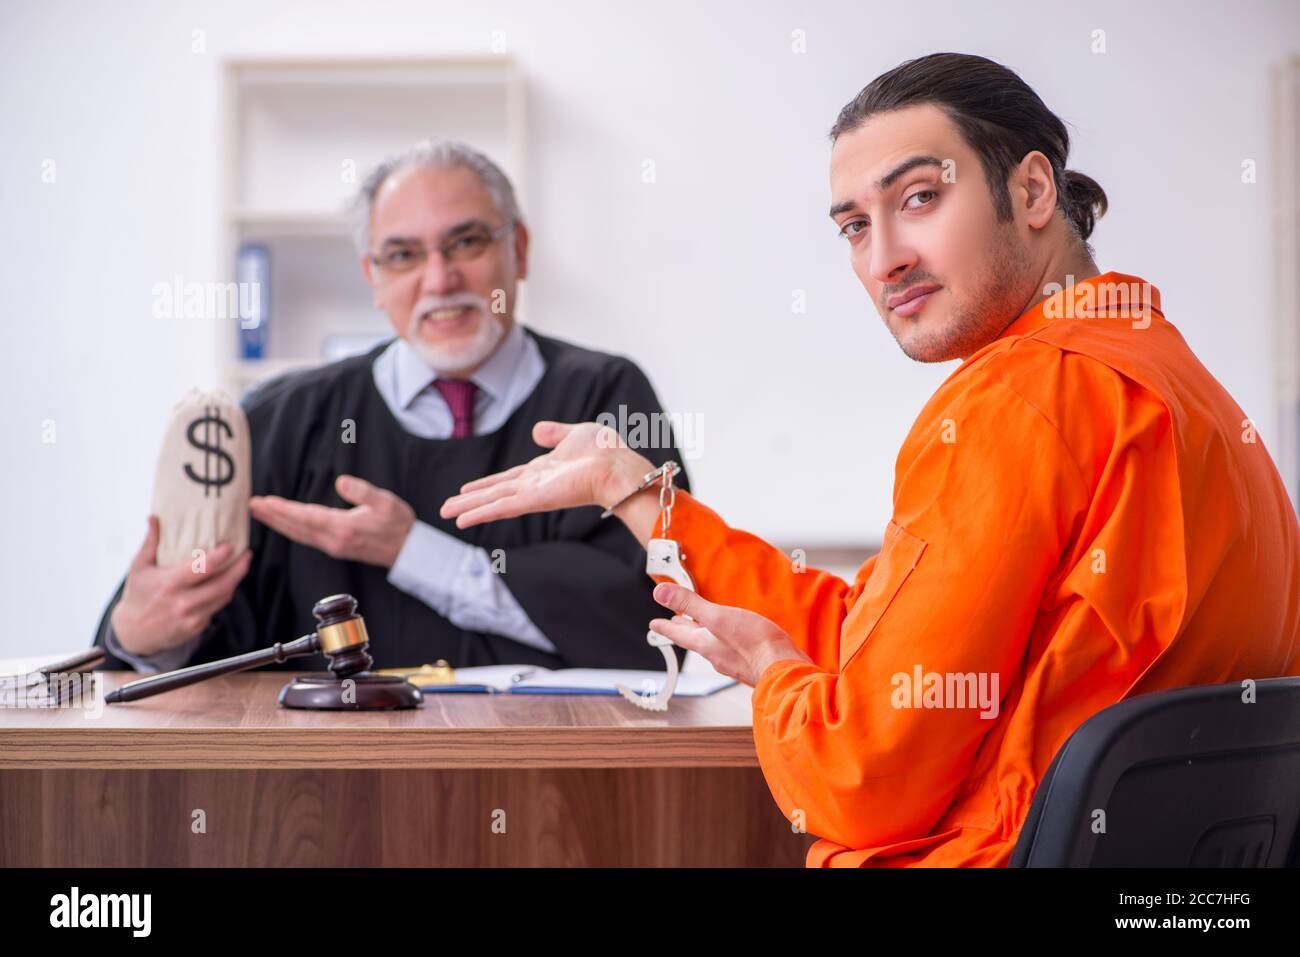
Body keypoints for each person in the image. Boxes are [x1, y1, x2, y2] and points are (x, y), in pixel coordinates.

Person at [440, 53, 1300, 866]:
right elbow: (887, 645)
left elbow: (861, 779)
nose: (883, 257)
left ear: (1033, 189)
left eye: (920, 197)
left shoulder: (1020, 398)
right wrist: (635, 493)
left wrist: (774, 677)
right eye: (854, 225)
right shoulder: (1177, 382)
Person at [93, 139, 688, 674]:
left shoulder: (606, 399)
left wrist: (410, 550)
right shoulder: (281, 419)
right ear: (373, 278)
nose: (439, 279)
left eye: (467, 241)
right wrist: (142, 636)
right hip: (323, 784)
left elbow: (661, 623)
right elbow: (196, 645)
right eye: (403, 255)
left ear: (521, 251)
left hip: (559, 777)